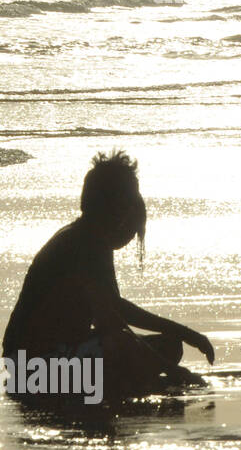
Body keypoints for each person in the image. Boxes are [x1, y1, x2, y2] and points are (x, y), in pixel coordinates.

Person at [3, 152, 212, 403]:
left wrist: (185, 334)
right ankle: (117, 383)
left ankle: (120, 381)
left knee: (168, 345)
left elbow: (115, 306)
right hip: (34, 367)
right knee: (130, 346)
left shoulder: (89, 237)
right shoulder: (84, 244)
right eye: (129, 202)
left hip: (41, 362)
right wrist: (174, 370)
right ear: (115, 204)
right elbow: (111, 323)